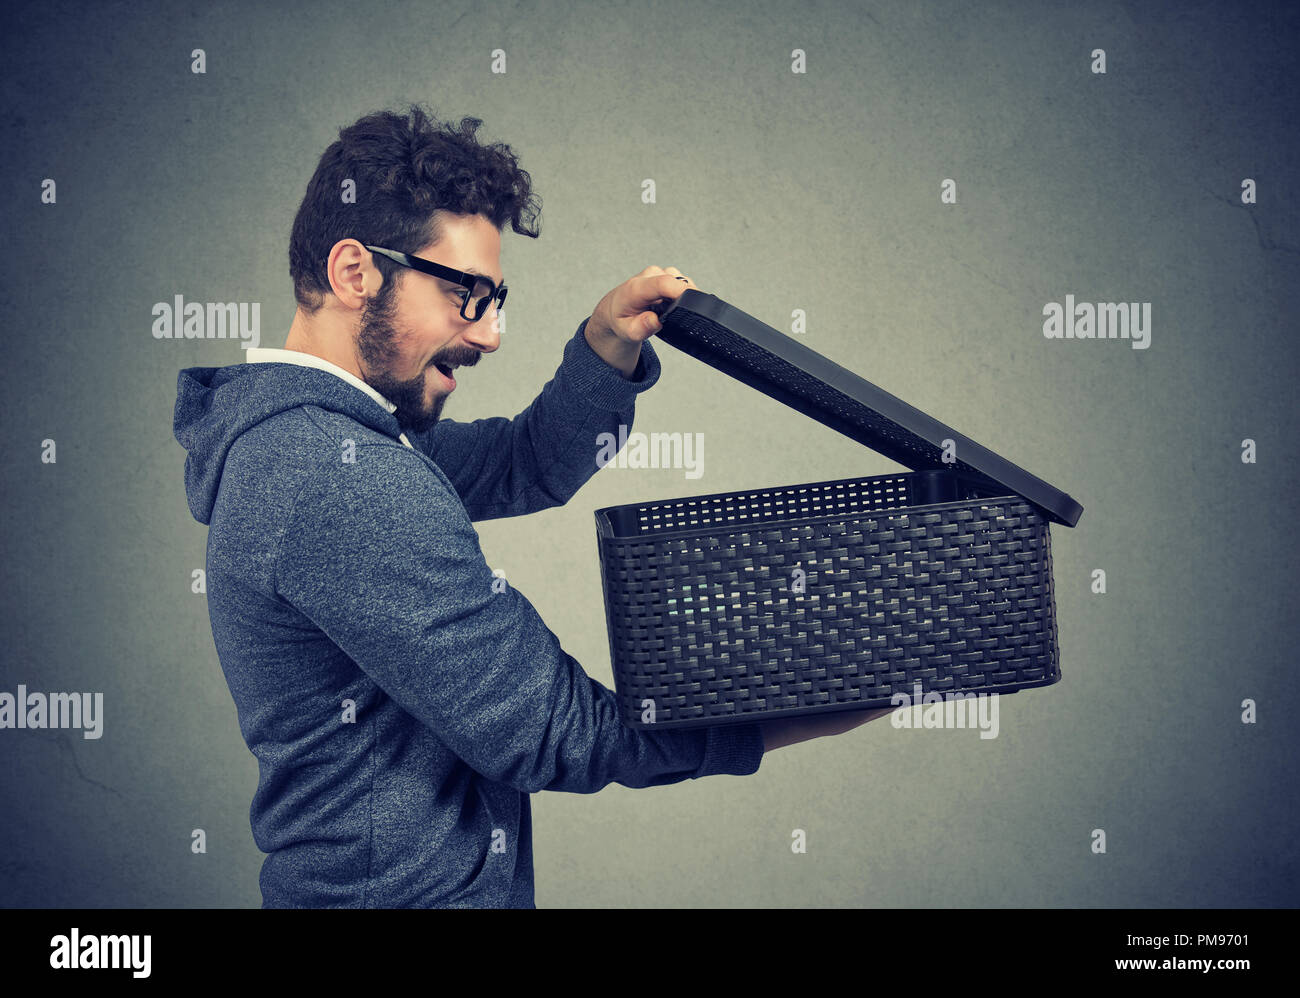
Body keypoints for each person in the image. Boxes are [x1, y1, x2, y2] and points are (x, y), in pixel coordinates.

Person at [172, 104, 889, 909]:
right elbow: (554, 731)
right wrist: (799, 709)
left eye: (495, 299)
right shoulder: (339, 480)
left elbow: (524, 464)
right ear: (353, 273)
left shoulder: (321, 441)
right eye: (464, 295)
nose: (489, 335)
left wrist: (607, 344)